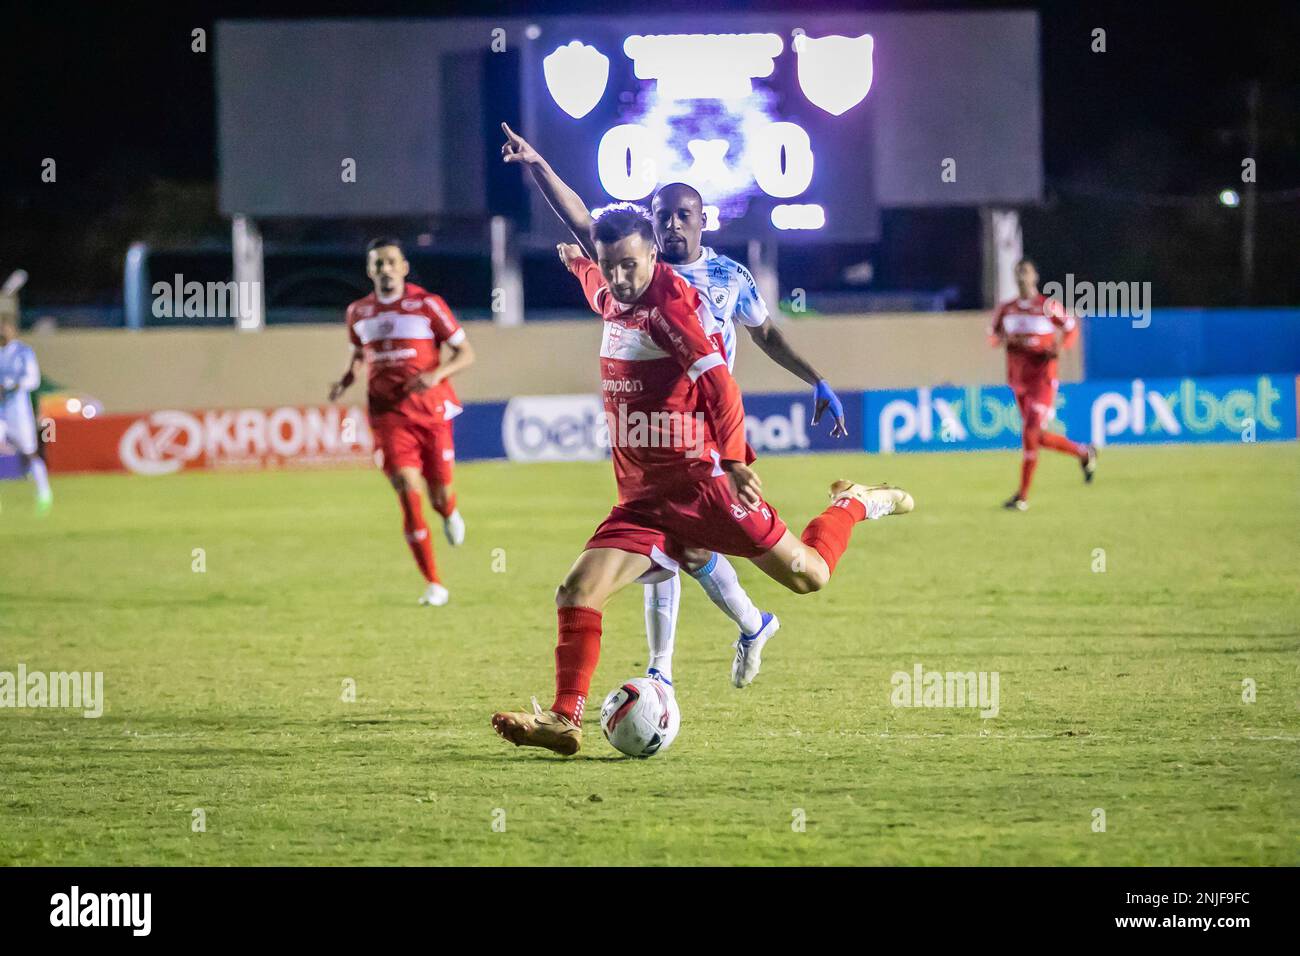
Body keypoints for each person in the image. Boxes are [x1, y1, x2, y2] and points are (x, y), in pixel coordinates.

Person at [490, 205, 912, 756]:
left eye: (629, 266)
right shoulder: (612, 294)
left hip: (704, 481)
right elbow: (590, 247)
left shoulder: (678, 305)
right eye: (609, 266)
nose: (618, 277)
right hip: (644, 500)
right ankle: (565, 719)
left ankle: (853, 502)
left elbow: (723, 388)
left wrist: (735, 462)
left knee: (809, 576)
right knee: (577, 590)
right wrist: (539, 169)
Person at [502, 121, 849, 688]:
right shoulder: (629, 271)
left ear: (702, 219)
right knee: (673, 550)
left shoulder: (718, 280)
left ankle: (751, 617)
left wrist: (813, 380)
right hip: (664, 444)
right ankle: (667, 669)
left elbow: (762, 339)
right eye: (661, 216)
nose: (671, 224)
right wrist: (540, 170)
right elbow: (588, 227)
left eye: (682, 215)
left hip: (707, 436)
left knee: (741, 561)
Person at [329, 238, 475, 605]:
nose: (385, 269)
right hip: (388, 418)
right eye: (378, 264)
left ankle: (449, 510)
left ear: (404, 267)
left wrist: (438, 374)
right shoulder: (358, 313)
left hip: (431, 413)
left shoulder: (427, 305)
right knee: (408, 493)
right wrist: (345, 380)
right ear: (370, 271)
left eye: (391, 262)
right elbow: (357, 357)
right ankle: (434, 583)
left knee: (439, 493)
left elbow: (466, 353)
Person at [989, 259, 1097, 510]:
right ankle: (1083, 453)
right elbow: (993, 337)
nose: (1021, 277)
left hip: (1042, 380)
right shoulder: (1007, 309)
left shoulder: (1047, 306)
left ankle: (1022, 497)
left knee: (1029, 433)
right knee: (1037, 437)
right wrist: (1005, 339)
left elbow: (1071, 328)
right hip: (1019, 380)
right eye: (1018, 272)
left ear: (1035, 277)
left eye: (1025, 272)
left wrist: (1060, 347)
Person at [0, 314, 52, 515]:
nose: (3, 332)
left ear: (14, 331)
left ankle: (44, 492)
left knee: (30, 452)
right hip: (0, 410)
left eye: (6, 328)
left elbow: (33, 380)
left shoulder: (24, 352)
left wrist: (12, 385)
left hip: (18, 411)